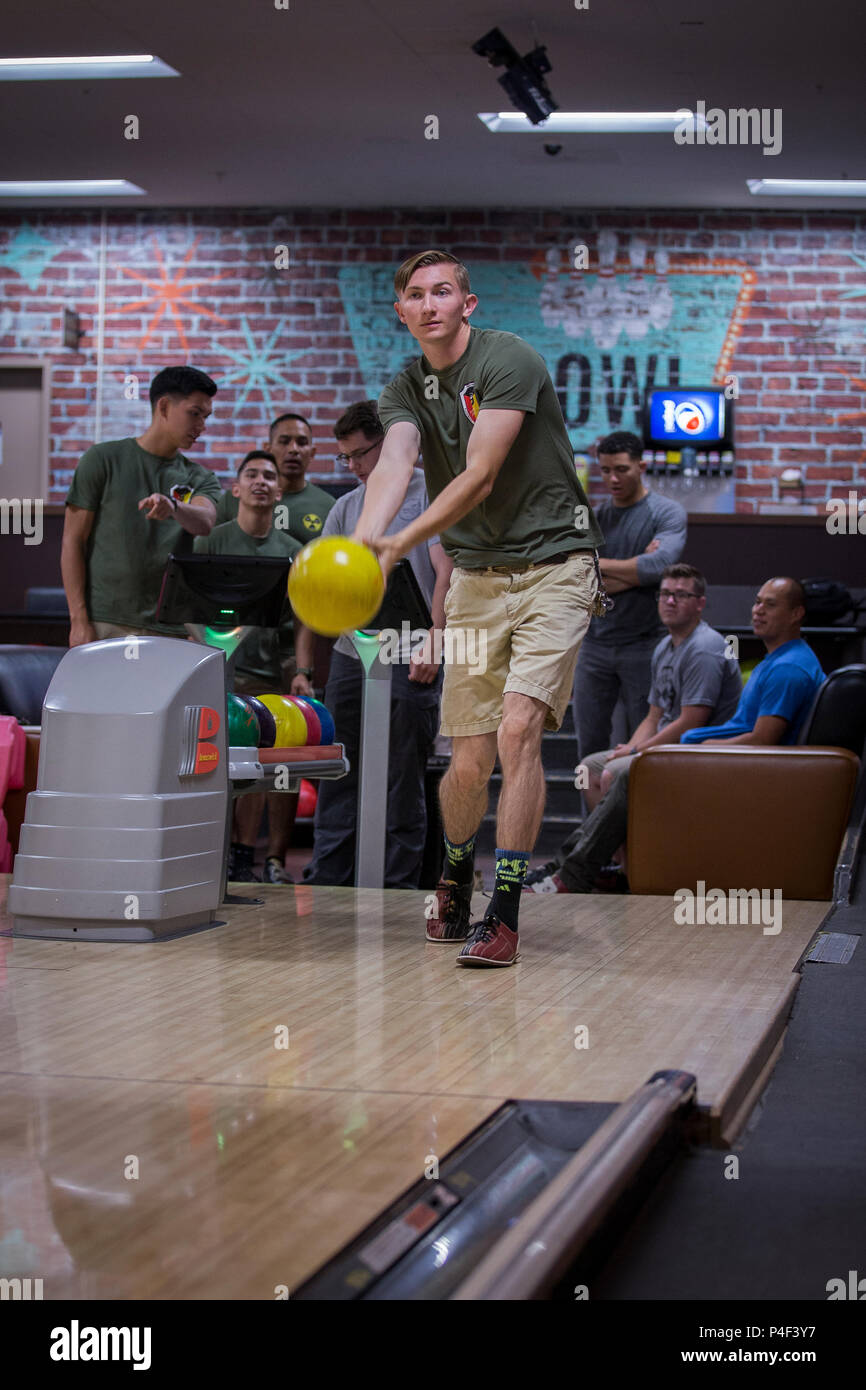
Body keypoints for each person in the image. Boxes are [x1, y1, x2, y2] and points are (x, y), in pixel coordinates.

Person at [352, 249, 603, 967]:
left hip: (557, 567)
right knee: (467, 760)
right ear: (401, 313)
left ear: (468, 304)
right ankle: (456, 872)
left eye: (443, 292)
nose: (429, 304)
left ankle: (507, 908)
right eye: (415, 296)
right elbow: (397, 463)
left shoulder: (508, 358)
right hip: (475, 583)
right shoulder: (402, 390)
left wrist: (401, 541)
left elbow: (481, 473)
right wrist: (368, 539)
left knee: (519, 729)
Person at [300, 401, 450, 888]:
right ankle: (330, 881)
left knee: (402, 778)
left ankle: (398, 887)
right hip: (352, 654)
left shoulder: (436, 494)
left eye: (361, 455)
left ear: (390, 445)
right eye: (345, 459)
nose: (355, 468)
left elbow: (449, 575)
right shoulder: (346, 507)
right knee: (337, 770)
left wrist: (437, 636)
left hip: (411, 653)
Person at [527, 564, 743, 894]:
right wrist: (629, 746)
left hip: (699, 751)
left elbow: (691, 722)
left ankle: (579, 869)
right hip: (667, 747)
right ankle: (624, 869)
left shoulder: (704, 648)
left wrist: (636, 752)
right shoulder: (663, 648)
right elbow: (654, 716)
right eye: (666, 594)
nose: (670, 601)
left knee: (615, 772)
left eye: (681, 595)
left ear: (700, 603)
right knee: (590, 767)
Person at [194, 450, 307, 884]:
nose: (262, 481)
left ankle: (244, 859)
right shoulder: (212, 541)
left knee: (256, 768)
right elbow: (188, 604)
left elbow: (302, 622)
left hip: (267, 676)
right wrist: (200, 644)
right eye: (252, 475)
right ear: (236, 488)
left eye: (270, 476)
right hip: (216, 674)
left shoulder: (292, 550)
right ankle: (209, 856)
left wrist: (302, 670)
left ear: (279, 492)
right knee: (210, 764)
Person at [62, 366, 221, 645]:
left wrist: (173, 507)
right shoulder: (102, 459)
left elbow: (205, 521)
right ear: (163, 406)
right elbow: (73, 542)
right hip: (107, 620)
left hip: (172, 626)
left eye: (206, 417)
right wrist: (79, 620)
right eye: (194, 413)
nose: (202, 426)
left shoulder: (200, 476)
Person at [572, 430, 687, 763]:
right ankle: (593, 817)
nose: (612, 478)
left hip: (645, 645)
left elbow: (661, 566)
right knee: (588, 749)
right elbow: (577, 578)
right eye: (605, 470)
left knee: (646, 748)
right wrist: (639, 573)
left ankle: (642, 817)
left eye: (621, 469)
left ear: (642, 466)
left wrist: (598, 565)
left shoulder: (666, 513)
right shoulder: (595, 518)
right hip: (593, 644)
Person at [680, 577, 824, 747]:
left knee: (690, 741)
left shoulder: (787, 668)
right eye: (757, 602)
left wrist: (704, 748)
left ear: (796, 614)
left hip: (760, 766)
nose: (758, 610)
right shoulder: (780, 660)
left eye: (770, 605)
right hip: (739, 758)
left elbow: (762, 741)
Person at [215, 411, 334, 544]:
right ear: (268, 449)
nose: (293, 449)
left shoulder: (329, 507)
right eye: (284, 442)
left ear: (312, 453)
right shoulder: (233, 499)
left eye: (301, 443)